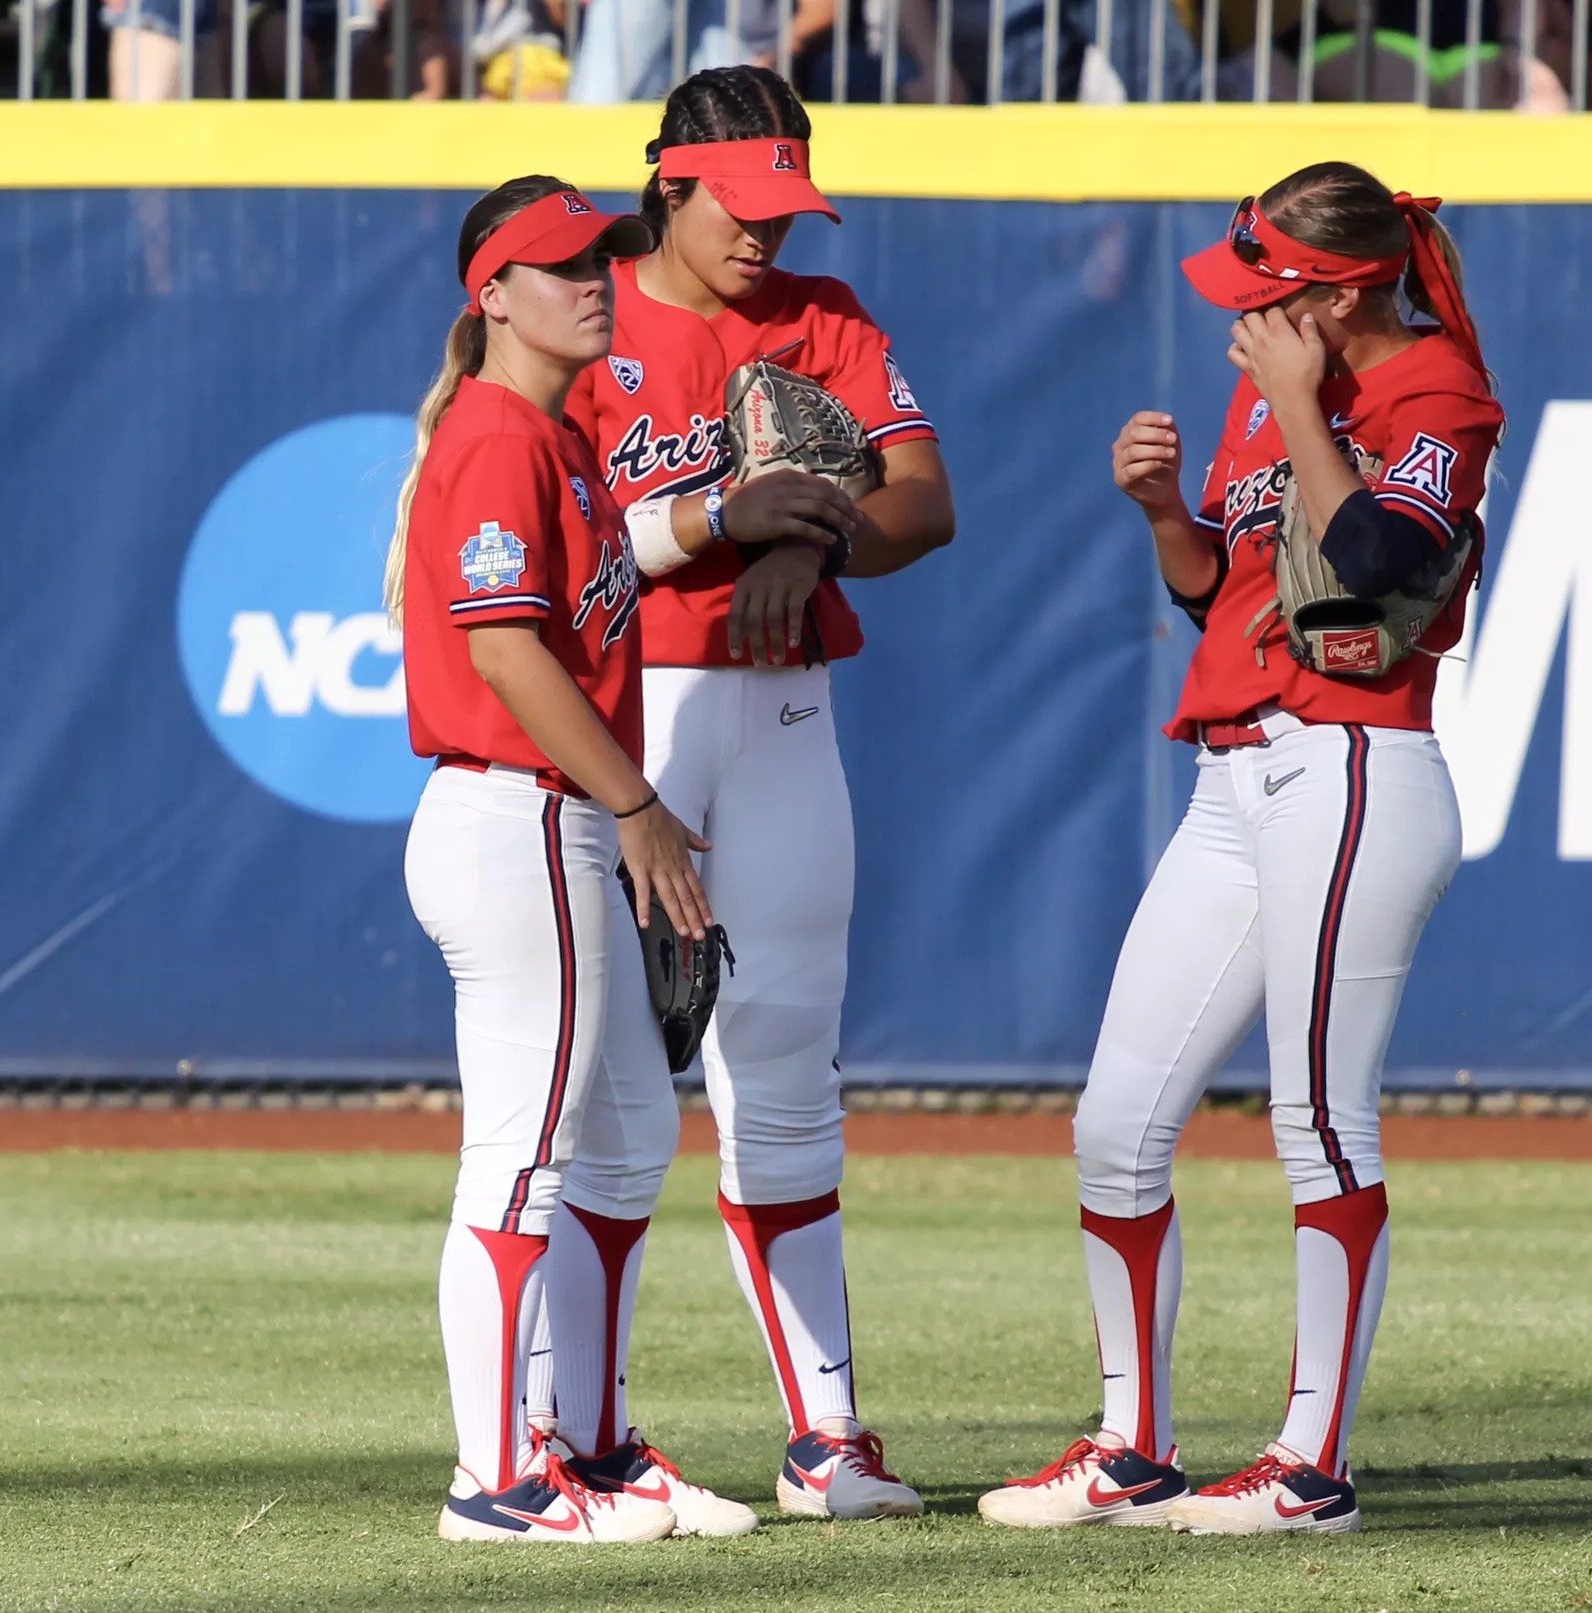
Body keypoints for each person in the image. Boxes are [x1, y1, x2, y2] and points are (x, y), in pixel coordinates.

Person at [978, 162, 1501, 1535]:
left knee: (1320, 1125)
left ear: (1336, 293)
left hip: (1353, 767)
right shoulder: (1271, 389)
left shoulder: (1437, 390)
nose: (1239, 319)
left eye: (1266, 294)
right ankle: (1130, 1445)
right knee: (1115, 1126)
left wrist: (1291, 402)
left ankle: (1310, 1465)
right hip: (1237, 775)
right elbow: (1223, 583)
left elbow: (1385, 556)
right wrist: (1165, 515)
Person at [529, 64, 955, 1524]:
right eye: (744, 205)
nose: (769, 232)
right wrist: (723, 519)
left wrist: (813, 544)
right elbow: (551, 536)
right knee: (615, 1086)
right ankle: (582, 1437)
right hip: (630, 723)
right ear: (669, 182)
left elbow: (924, 501)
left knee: (784, 1066)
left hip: (781, 711)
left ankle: (826, 1434)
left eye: (790, 203)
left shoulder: (823, 316)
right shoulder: (581, 313)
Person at [386, 173, 712, 1546]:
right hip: (525, 816)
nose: (599, 277)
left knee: (628, 1137)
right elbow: (508, 648)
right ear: (493, 292)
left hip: (551, 816)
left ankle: (591, 1442)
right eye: (564, 261)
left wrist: (715, 516)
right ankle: (500, 1477)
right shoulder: (500, 433)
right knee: (522, 1160)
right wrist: (637, 801)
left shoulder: (559, 437)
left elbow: (593, 586)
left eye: (606, 256)